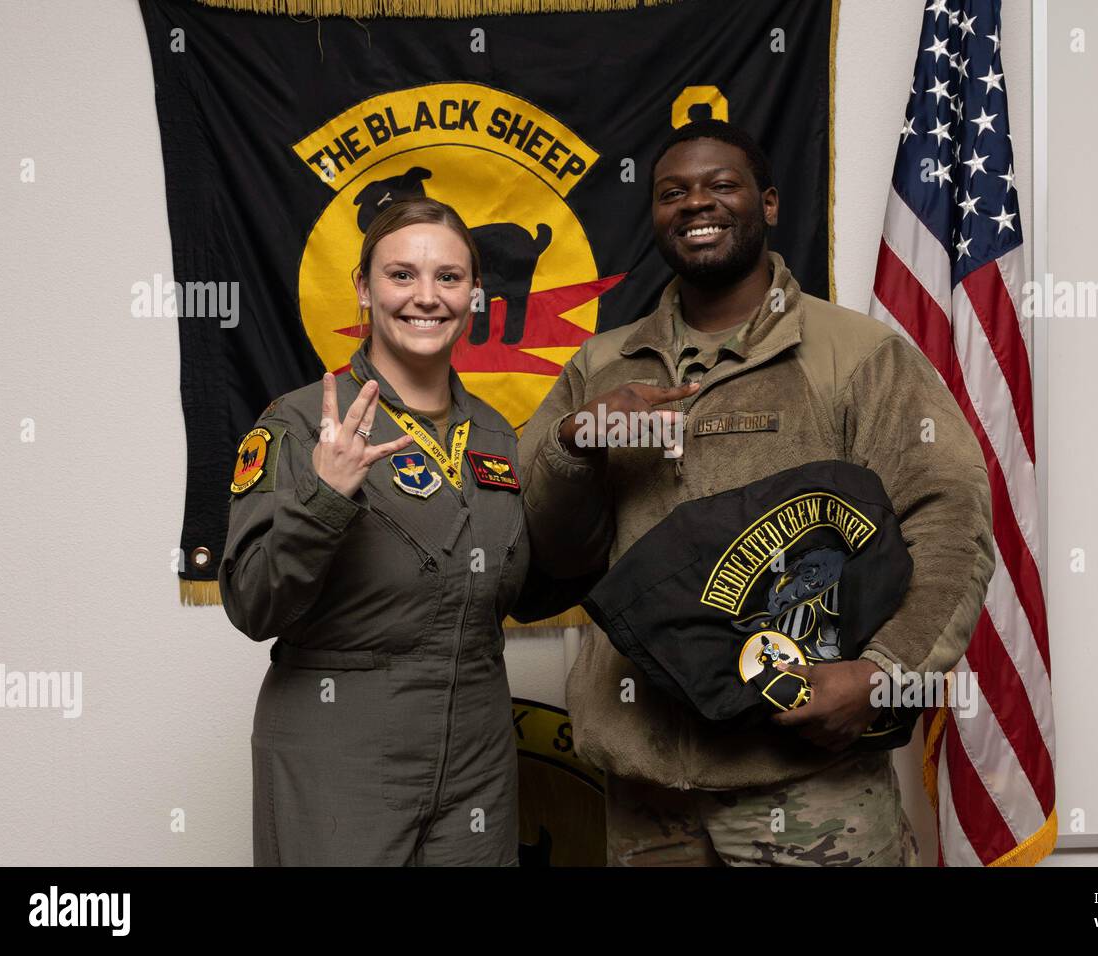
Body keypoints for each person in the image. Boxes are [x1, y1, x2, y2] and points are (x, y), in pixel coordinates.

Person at [518, 119, 996, 866]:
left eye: (720, 185)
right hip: (646, 783)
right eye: (672, 192)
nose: (695, 204)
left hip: (806, 779)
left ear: (769, 204)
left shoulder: (858, 354)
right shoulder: (601, 364)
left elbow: (951, 521)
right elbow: (548, 550)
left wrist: (882, 674)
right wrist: (575, 443)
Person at [219, 197, 532, 866]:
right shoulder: (301, 425)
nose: (427, 297)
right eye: (401, 275)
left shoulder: (500, 437)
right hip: (340, 751)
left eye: (449, 277)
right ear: (364, 288)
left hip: (478, 750)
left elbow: (510, 590)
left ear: (475, 293)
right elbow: (252, 603)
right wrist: (324, 497)